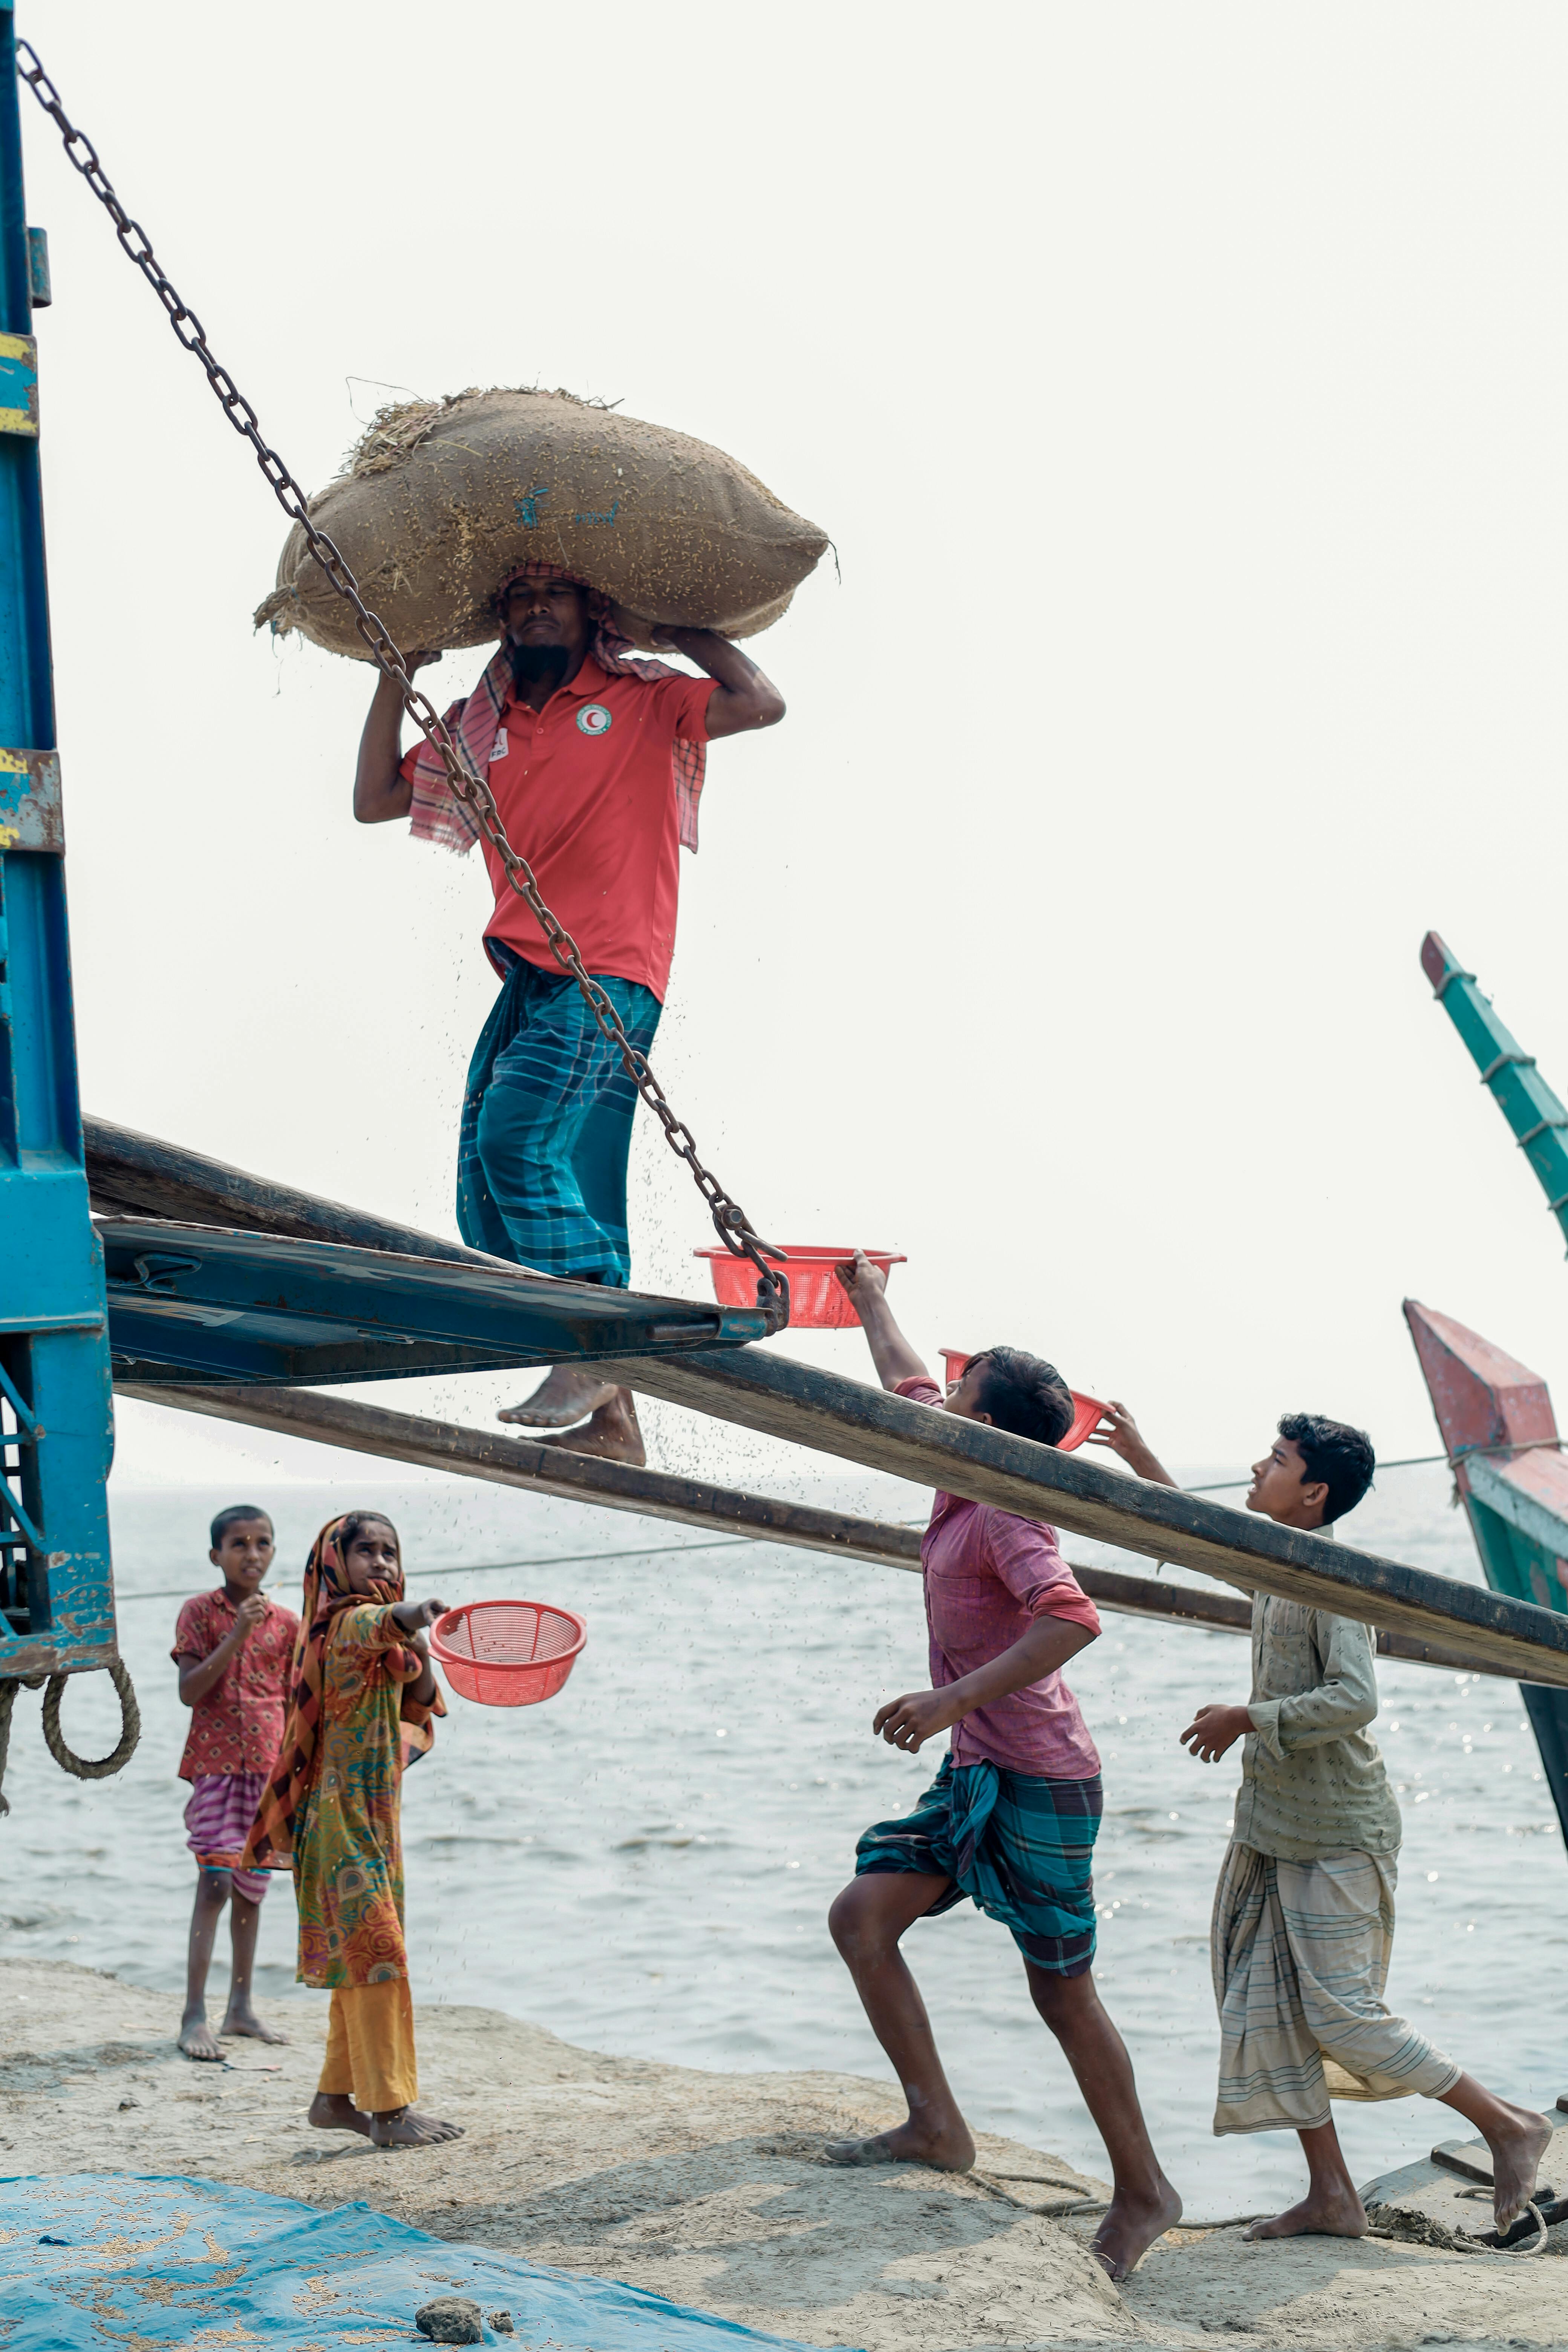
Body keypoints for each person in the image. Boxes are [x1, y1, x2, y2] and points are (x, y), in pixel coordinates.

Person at [352, 563, 786, 1467]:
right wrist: (396, 678)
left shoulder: (644, 698)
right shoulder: (482, 724)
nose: (534, 607)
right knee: (485, 1193)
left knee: (517, 1141)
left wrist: (674, 628)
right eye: (517, 597)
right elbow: (375, 802)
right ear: (501, 623)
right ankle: (614, 1412)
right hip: (531, 978)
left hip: (612, 973)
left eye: (555, 593)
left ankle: (591, 1331)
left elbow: (760, 702)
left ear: (596, 612)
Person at [1093, 1402, 1554, 2239]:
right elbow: (1203, 1541)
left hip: (1339, 1828)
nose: (1257, 1469)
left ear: (1313, 1493)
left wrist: (1250, 1717)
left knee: (1340, 2012)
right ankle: (1332, 2194)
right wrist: (1140, 1457)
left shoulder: (1331, 1580)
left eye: (1274, 1461)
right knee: (1264, 2000)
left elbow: (1355, 1697)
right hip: (1274, 1824)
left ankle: (1508, 2126)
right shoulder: (1278, 1560)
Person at [822, 1253, 1182, 2283]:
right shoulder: (957, 1466)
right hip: (977, 1765)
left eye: (961, 1394)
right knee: (862, 1918)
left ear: (995, 1427)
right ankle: (937, 2125)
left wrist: (948, 1700)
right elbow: (907, 1386)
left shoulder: (1006, 1510)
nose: (940, 1402)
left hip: (1043, 1777)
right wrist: (867, 1297)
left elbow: (1072, 1617)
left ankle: (1147, 2191)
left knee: (1061, 1993)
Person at [242, 1511, 462, 2149]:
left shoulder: (387, 1648)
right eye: (364, 1551)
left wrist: (418, 1648)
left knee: (358, 1964)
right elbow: (374, 1622)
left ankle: (334, 2099)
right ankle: (390, 2111)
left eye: (390, 1552)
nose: (381, 1563)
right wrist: (417, 1613)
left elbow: (422, 1699)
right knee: (379, 1958)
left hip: (376, 1828)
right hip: (335, 1829)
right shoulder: (339, 1627)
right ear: (334, 1564)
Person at [172, 1505, 299, 2062]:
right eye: (239, 1544)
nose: (252, 1554)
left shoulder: (289, 1624)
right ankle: (194, 2012)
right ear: (216, 1556)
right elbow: (190, 1691)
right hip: (217, 1766)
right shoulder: (200, 1613)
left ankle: (241, 2008)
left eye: (262, 1543)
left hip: (268, 1769)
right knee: (215, 1883)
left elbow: (295, 1700)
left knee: (252, 1888)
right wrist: (239, 1630)